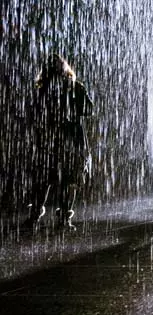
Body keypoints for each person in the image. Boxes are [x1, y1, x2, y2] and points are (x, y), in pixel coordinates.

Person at [26, 53, 93, 229]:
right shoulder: (74, 87)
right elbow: (88, 110)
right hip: (71, 141)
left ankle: (34, 217)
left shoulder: (42, 88)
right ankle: (63, 219)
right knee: (67, 180)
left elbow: (33, 114)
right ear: (65, 69)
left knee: (44, 179)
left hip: (49, 140)